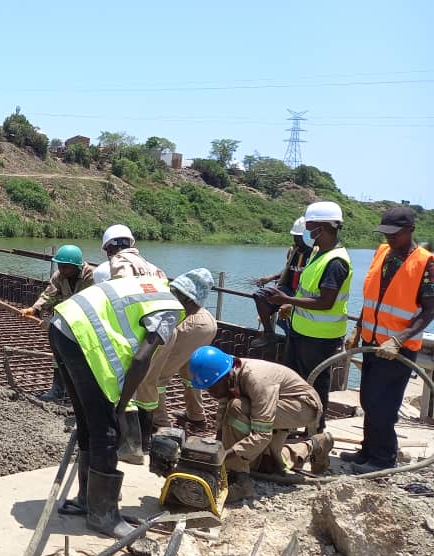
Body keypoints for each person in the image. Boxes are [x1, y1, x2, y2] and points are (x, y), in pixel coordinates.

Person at [48, 274, 185, 538]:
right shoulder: (170, 308)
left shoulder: (152, 286)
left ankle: (87, 501)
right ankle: (104, 516)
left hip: (61, 325)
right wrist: (121, 406)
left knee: (89, 424)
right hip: (83, 340)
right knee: (107, 431)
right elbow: (142, 358)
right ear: (191, 303)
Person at [343, 206, 434, 473]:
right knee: (368, 400)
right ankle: (367, 451)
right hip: (373, 343)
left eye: (395, 234)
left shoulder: (425, 263)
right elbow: (372, 300)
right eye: (386, 233)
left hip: (398, 350)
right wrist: (357, 330)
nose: (390, 238)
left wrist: (398, 339)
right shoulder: (382, 253)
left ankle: (382, 460)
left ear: (411, 231)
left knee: (384, 405)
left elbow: (429, 310)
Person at [189, 346, 333, 502]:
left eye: (211, 387)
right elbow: (222, 412)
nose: (210, 393)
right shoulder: (228, 375)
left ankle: (240, 481)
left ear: (223, 377)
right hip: (277, 403)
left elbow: (262, 434)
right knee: (267, 466)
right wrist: (216, 448)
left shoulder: (256, 380)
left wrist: (225, 456)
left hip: (302, 406)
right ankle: (316, 444)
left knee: (237, 408)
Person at [264, 201, 352, 432]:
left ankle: (315, 430)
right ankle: (292, 423)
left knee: (315, 383)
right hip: (301, 330)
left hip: (320, 337)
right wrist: (291, 308)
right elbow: (308, 291)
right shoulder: (318, 254)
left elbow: (325, 302)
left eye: (311, 226)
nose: (308, 232)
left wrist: (288, 300)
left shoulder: (335, 262)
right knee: (295, 380)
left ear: (323, 228)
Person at [144, 269, 218, 433]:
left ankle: (160, 423)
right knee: (189, 373)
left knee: (157, 376)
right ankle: (196, 415)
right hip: (207, 322)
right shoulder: (187, 295)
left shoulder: (173, 291)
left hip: (192, 325)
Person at [19, 244, 96, 402]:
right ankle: (58, 390)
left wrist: (56, 321)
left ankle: (84, 393)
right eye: (59, 266)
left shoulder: (92, 276)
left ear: (77, 266)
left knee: (86, 357)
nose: (61, 269)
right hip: (67, 321)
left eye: (65, 267)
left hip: (89, 323)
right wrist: (34, 309)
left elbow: (90, 303)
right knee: (59, 353)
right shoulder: (59, 276)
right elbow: (49, 295)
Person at [251, 216, 314, 348]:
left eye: (298, 237)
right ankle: (269, 334)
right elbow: (288, 269)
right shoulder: (294, 251)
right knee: (260, 296)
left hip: (302, 294)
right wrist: (270, 278)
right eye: (294, 237)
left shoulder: (314, 255)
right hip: (287, 289)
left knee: (283, 316)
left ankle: (293, 339)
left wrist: (291, 302)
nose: (295, 240)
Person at [102, 224, 166, 280]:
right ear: (130, 244)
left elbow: (120, 287)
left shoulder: (117, 261)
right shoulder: (152, 267)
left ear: (109, 249)